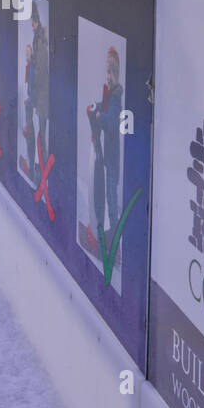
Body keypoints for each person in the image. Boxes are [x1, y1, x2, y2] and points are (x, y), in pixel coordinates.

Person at [86, 47, 123, 258]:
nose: (107, 76)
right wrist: (95, 106)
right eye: (106, 72)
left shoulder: (116, 97)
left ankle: (114, 247)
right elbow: (104, 107)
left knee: (111, 200)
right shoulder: (109, 93)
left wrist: (99, 116)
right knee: (106, 197)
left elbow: (111, 121)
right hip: (106, 155)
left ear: (116, 73)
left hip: (112, 157)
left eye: (110, 72)